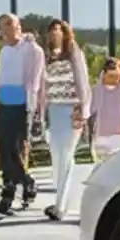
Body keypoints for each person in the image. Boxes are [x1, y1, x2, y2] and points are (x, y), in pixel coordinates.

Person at [0, 13, 44, 215]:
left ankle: (14, 188)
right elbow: (1, 76)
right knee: (4, 148)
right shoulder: (4, 51)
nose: (8, 29)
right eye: (4, 25)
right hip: (5, 104)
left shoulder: (32, 49)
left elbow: (35, 81)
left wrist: (34, 108)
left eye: (11, 24)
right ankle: (22, 183)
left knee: (15, 149)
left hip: (22, 105)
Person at [40, 18, 91, 222]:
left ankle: (61, 207)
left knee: (67, 156)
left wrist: (83, 110)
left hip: (72, 109)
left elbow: (84, 83)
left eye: (58, 29)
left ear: (65, 32)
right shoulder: (46, 57)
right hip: (54, 110)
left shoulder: (74, 54)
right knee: (56, 158)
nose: (55, 33)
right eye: (52, 30)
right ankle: (60, 201)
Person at [90, 57, 120, 163]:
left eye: (117, 76)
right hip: (99, 137)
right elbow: (90, 113)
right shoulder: (97, 91)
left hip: (117, 137)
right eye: (111, 76)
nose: (114, 79)